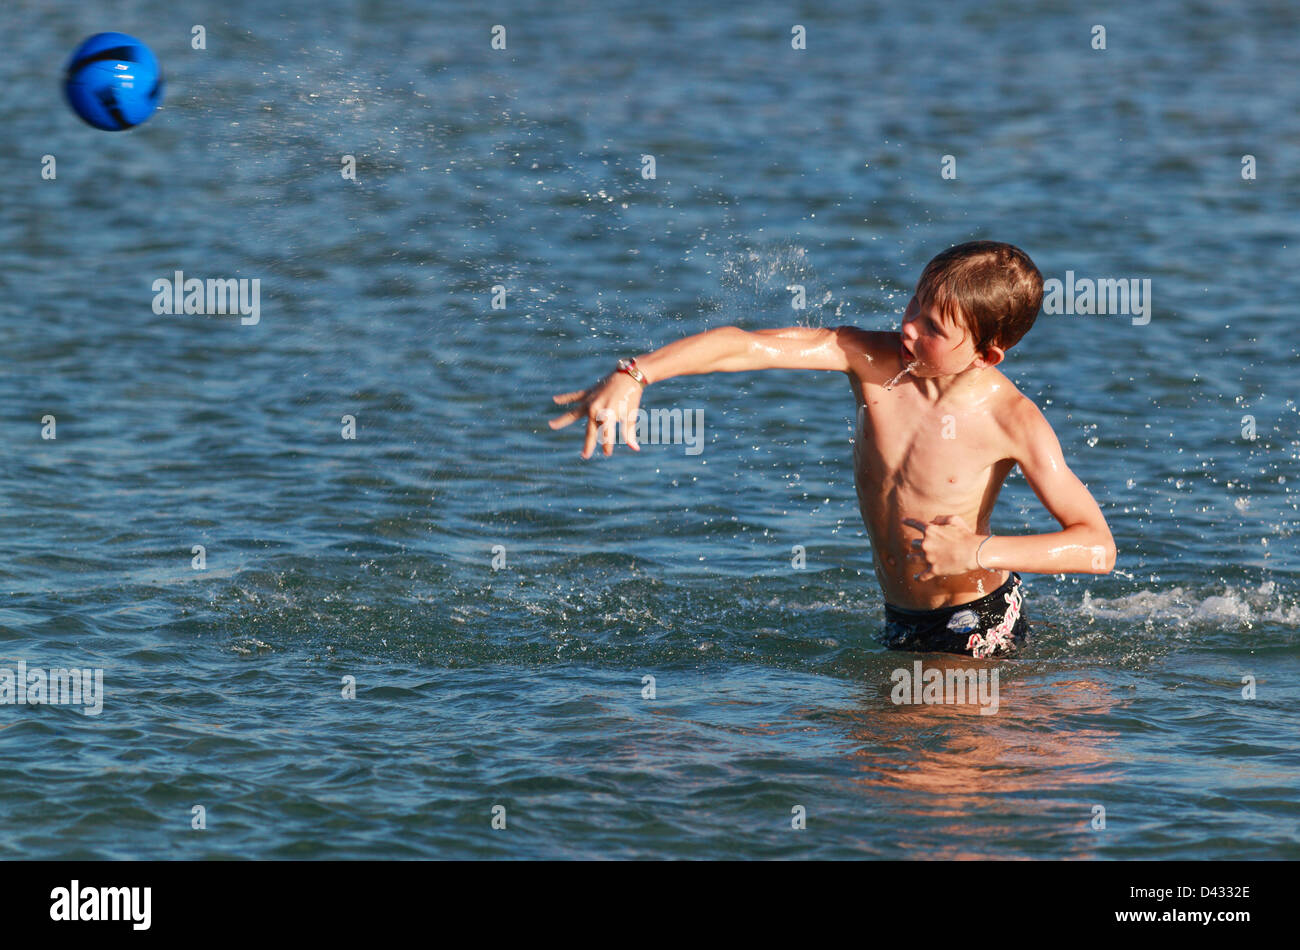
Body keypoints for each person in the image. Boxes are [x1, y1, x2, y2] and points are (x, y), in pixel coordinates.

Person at [548, 241, 1116, 658]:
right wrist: (635, 374)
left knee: (920, 781)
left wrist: (980, 551)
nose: (909, 329)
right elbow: (749, 348)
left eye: (935, 328)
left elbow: (1097, 548)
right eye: (913, 305)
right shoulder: (873, 360)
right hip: (900, 617)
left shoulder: (1011, 419)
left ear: (988, 355)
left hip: (976, 617)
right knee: (877, 766)